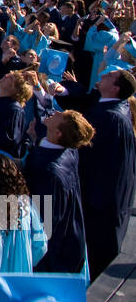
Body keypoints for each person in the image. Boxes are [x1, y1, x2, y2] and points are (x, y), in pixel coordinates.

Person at [79, 68, 136, 276]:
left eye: (110, 76)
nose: (104, 74)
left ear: (115, 88)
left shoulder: (109, 117)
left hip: (97, 205)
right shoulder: (115, 111)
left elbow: (89, 158)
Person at [24, 109, 95, 277]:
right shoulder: (70, 151)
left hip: (52, 256)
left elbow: (46, 223)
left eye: (59, 116)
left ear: (58, 133)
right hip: (72, 238)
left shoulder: (49, 171)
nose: (55, 112)